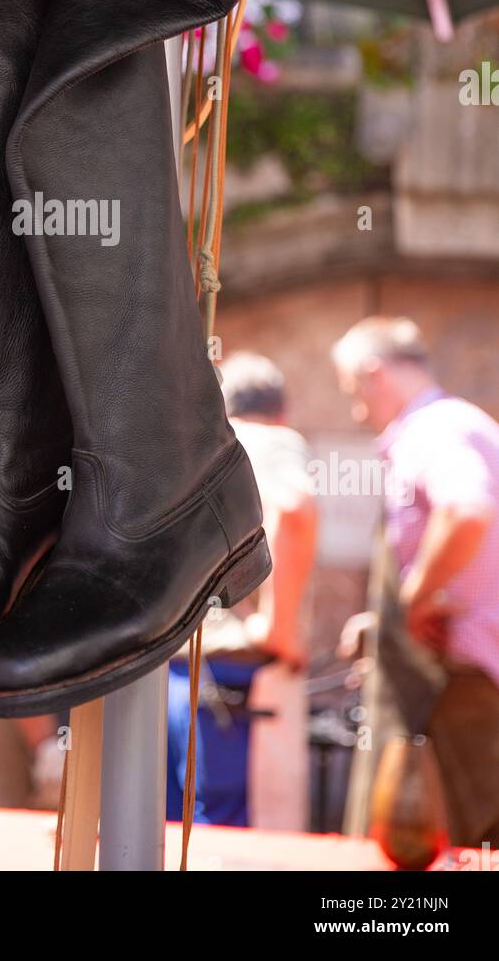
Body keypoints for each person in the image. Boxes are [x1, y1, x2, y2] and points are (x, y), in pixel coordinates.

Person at [332, 316, 499, 847]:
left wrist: (414, 599)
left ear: (374, 372)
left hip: (457, 692)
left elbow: (468, 512)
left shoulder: (433, 431)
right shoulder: (464, 425)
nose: (358, 410)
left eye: (354, 392)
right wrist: (384, 618)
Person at [167, 352, 317, 830]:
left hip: (178, 670)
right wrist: (281, 629)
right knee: (235, 843)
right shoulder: (273, 441)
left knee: (168, 834)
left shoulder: (197, 446)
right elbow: (294, 510)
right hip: (239, 683)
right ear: (283, 411)